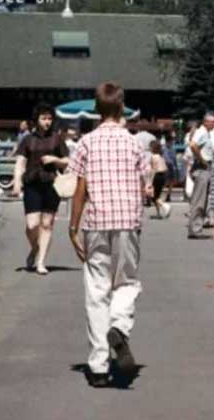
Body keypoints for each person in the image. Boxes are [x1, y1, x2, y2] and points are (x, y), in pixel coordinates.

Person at [68, 82, 153, 388]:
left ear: (97, 109)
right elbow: (145, 179)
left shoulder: (86, 143)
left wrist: (73, 226)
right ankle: (118, 325)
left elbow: (80, 188)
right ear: (121, 108)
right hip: (127, 222)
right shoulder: (134, 143)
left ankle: (99, 365)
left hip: (96, 221)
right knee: (127, 282)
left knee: (96, 290)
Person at [11, 104, 69, 275]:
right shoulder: (27, 140)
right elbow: (20, 162)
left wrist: (55, 159)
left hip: (52, 185)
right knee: (32, 224)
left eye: (50, 118)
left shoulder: (57, 139)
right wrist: (16, 182)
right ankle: (35, 248)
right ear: (36, 120)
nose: (47, 122)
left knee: (47, 224)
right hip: (32, 183)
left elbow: (68, 161)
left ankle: (41, 262)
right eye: (44, 118)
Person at [186, 113, 214, 238]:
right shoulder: (202, 132)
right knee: (199, 199)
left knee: (202, 199)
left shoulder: (205, 133)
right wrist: (202, 160)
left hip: (204, 167)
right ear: (206, 122)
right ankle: (195, 229)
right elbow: (193, 145)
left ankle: (196, 228)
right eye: (213, 122)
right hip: (202, 167)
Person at [147, 140, 171, 218]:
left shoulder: (153, 157)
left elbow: (153, 170)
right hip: (163, 175)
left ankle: (165, 206)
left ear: (153, 148)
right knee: (157, 195)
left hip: (157, 175)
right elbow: (166, 168)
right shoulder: (161, 156)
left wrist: (150, 182)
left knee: (154, 197)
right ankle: (158, 213)